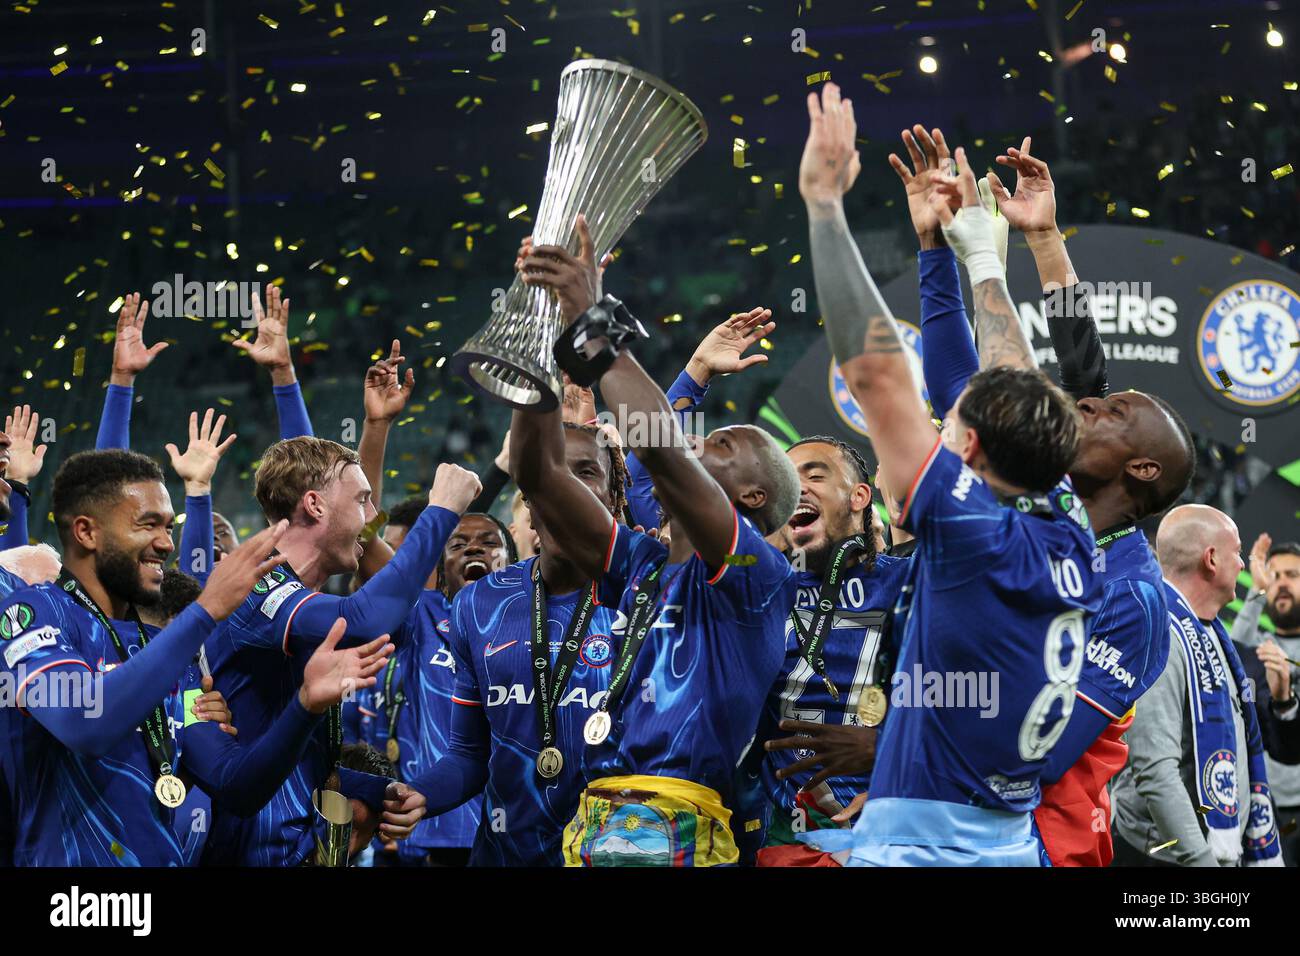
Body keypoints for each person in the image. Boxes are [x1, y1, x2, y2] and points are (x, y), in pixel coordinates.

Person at [798, 82, 1098, 866]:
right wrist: (956, 254)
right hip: (1006, 840)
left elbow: (879, 378)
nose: (937, 420)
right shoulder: (1066, 526)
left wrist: (825, 207)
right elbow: (1008, 386)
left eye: (947, 425)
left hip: (930, 854)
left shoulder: (974, 532)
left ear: (963, 454)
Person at [914, 124, 1196, 866]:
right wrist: (943, 249)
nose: (1084, 409)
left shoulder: (1133, 598)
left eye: (1104, 415)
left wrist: (886, 738)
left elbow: (1030, 749)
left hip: (1037, 844)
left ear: (1138, 471)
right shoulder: (1024, 503)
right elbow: (959, 382)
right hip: (929, 819)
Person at [510, 213, 799, 867]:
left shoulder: (758, 571)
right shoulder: (642, 567)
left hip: (680, 827)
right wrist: (538, 354)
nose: (701, 443)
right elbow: (539, 475)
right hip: (595, 819)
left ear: (751, 498)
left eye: (722, 447)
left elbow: (662, 449)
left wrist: (593, 317)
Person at [0, 448, 389, 865]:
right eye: (148, 525)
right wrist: (206, 612)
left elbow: (238, 787)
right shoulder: (32, 613)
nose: (167, 543)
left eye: (169, 526)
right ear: (86, 532)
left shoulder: (165, 653)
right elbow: (83, 724)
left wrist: (305, 706)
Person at [198, 441, 481, 866]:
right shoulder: (258, 586)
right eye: (363, 500)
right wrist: (440, 510)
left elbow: (292, 755)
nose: (370, 517)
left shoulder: (302, 601)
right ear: (314, 505)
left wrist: (378, 792)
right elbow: (366, 619)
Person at [400, 422, 634, 866]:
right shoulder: (480, 603)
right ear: (529, 493)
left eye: (585, 472)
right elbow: (470, 753)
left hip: (620, 853)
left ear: (614, 495)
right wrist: (420, 794)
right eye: (553, 471)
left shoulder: (648, 592)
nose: (566, 485)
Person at [753, 435, 909, 863]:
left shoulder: (915, 582)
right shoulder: (757, 592)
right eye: (784, 478)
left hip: (894, 839)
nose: (797, 486)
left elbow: (983, 701)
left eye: (814, 474)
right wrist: (695, 379)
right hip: (781, 843)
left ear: (860, 496)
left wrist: (889, 752)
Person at [1112, 505, 1283, 866]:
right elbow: (1155, 771)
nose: (1240, 564)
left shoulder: (1210, 633)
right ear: (1211, 559)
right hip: (1167, 860)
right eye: (1236, 552)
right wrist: (1202, 860)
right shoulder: (1159, 634)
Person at [368, 512, 517, 866]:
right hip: (447, 828)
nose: (473, 549)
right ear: (442, 573)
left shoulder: (541, 623)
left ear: (515, 564)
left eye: (489, 541)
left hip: (526, 822)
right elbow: (366, 545)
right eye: (458, 544)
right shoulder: (423, 617)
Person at [1230, 536, 1300, 863]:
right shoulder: (1258, 649)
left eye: (1292, 575)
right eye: (1274, 576)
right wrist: (1257, 591)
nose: (1281, 584)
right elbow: (1228, 652)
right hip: (1266, 805)